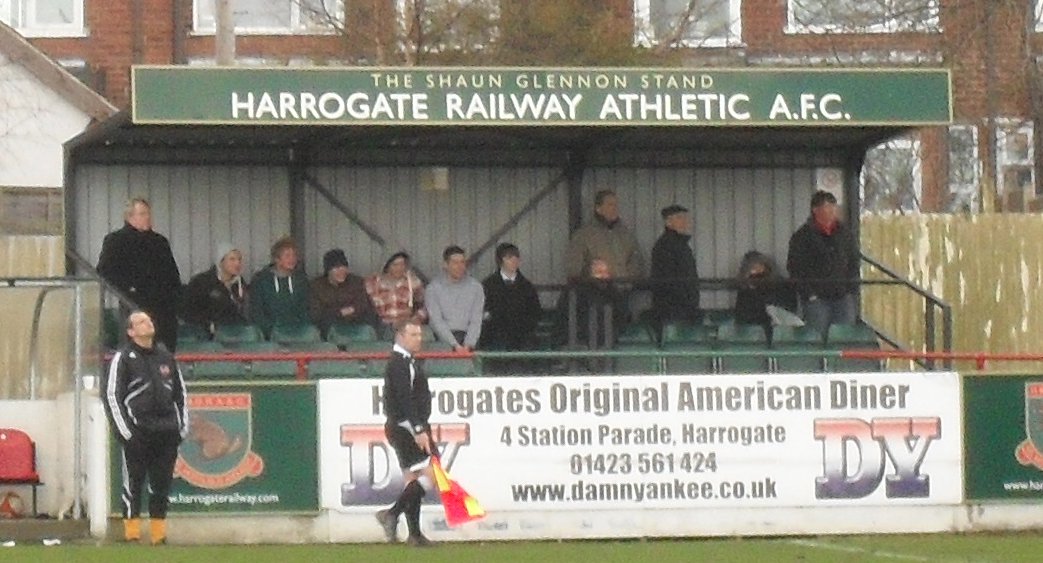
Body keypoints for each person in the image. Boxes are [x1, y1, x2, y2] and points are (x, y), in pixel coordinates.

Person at [103, 310, 188, 545]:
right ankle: (132, 534)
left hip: (167, 431)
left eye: (149, 319)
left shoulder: (166, 356)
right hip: (138, 432)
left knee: (161, 485)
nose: (148, 323)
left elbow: (180, 395)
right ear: (131, 332)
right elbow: (112, 395)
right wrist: (126, 432)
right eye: (141, 322)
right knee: (133, 483)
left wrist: (180, 428)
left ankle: (158, 535)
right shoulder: (122, 357)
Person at [375, 317, 437, 548]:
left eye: (419, 335)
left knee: (412, 479)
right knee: (431, 474)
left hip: (403, 426)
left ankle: (414, 534)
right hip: (406, 427)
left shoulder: (405, 361)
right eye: (413, 335)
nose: (419, 339)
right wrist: (418, 428)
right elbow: (404, 398)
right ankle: (391, 513)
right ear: (400, 336)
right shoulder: (399, 363)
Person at [97, 198, 182, 351]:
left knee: (163, 353)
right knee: (134, 351)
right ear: (130, 217)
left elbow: (172, 275)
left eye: (148, 214)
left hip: (163, 310)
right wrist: (128, 289)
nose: (147, 217)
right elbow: (104, 272)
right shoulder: (116, 241)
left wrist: (173, 298)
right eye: (142, 214)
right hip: (134, 305)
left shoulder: (160, 242)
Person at [786, 190, 860, 336]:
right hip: (816, 300)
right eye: (828, 206)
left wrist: (851, 289)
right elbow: (795, 267)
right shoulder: (802, 237)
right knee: (817, 338)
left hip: (843, 297)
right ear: (815, 210)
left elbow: (853, 261)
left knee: (844, 338)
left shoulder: (845, 233)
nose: (832, 210)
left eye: (834, 206)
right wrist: (809, 294)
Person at [564, 190, 645, 282]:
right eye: (610, 205)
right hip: (595, 293)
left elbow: (637, 260)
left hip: (623, 291)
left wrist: (628, 278)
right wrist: (592, 272)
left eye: (616, 205)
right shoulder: (583, 235)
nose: (614, 208)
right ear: (598, 208)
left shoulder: (626, 235)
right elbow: (573, 267)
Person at [480, 243, 541, 351]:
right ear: (500, 261)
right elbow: (483, 311)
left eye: (516, 257)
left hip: (522, 339)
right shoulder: (488, 285)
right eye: (509, 257)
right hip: (495, 338)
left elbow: (535, 312)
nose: (514, 260)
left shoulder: (527, 287)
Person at [557, 258, 627, 350]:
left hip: (605, 344)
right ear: (588, 275)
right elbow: (568, 320)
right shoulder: (574, 293)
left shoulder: (613, 293)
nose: (603, 276)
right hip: (577, 344)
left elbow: (621, 317)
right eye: (599, 272)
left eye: (606, 272)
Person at [426, 245, 485, 351]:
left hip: (470, 340)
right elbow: (436, 321)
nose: (460, 266)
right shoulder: (433, 288)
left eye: (462, 262)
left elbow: (476, 319)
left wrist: (469, 344)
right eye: (455, 263)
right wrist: (454, 345)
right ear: (445, 265)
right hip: (442, 340)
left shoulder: (476, 287)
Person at [181, 243, 248, 336]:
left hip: (236, 335)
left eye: (239, 259)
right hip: (205, 337)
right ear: (220, 261)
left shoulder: (240, 285)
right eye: (232, 259)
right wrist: (208, 325)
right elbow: (187, 311)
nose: (237, 263)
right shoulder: (201, 282)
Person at [650, 204, 701, 325]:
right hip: (673, 309)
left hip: (685, 307)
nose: (684, 222)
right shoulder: (665, 246)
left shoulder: (682, 245)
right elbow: (666, 278)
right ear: (668, 222)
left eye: (685, 218)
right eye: (679, 218)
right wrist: (686, 299)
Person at [309, 248, 377, 338]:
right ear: (328, 270)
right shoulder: (317, 286)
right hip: (328, 330)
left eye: (343, 267)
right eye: (336, 268)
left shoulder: (356, 282)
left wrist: (347, 312)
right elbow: (316, 313)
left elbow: (363, 305)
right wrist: (340, 312)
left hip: (356, 327)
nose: (341, 271)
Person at [250, 236, 310, 338]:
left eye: (294, 255)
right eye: (287, 256)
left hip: (298, 334)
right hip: (270, 336)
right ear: (277, 259)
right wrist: (270, 331)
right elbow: (257, 312)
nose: (292, 259)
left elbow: (305, 309)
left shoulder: (301, 280)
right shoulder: (261, 280)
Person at [734, 250, 799, 332]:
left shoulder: (781, 285)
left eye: (758, 266)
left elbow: (787, 306)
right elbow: (741, 312)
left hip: (778, 326)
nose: (755, 270)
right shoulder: (745, 289)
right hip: (754, 327)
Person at [366, 251, 428, 338]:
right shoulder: (372, 283)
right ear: (386, 266)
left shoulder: (413, 282)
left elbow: (425, 305)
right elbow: (364, 306)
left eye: (402, 264)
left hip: (407, 325)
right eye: (395, 265)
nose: (399, 268)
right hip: (382, 327)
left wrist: (417, 318)